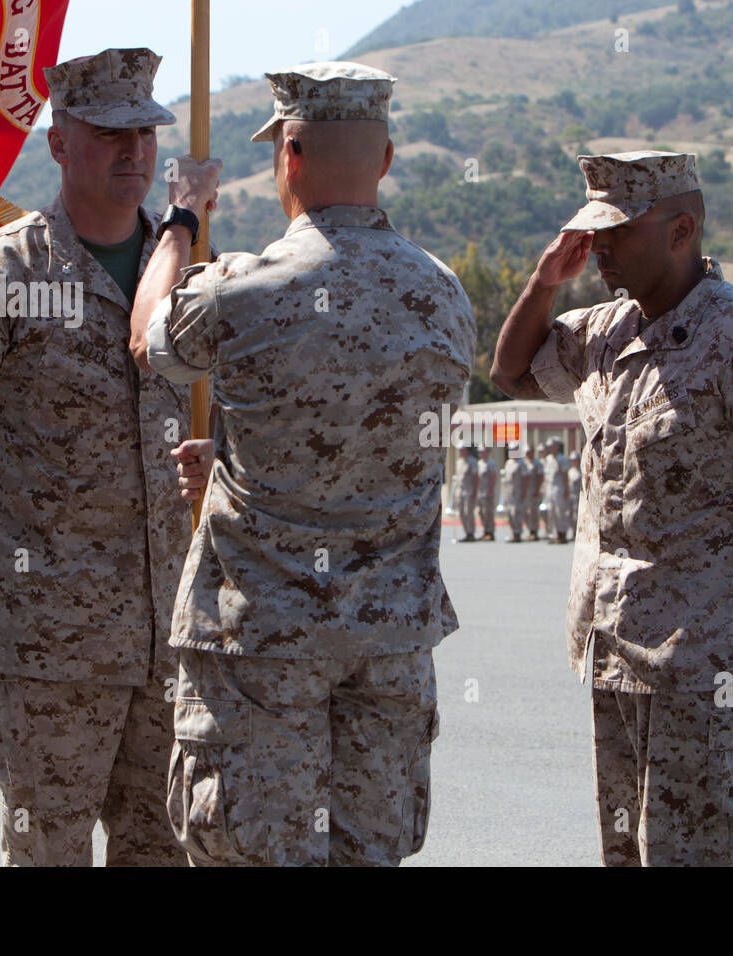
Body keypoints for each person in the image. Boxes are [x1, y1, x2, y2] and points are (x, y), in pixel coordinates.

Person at [131, 61, 476, 866]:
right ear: (385, 159)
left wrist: (181, 218)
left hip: (263, 641)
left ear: (289, 154)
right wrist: (238, 458)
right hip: (388, 640)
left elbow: (148, 338)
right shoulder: (443, 293)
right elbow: (372, 432)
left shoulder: (244, 288)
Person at [490, 150, 733, 866]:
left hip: (717, 662)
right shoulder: (605, 333)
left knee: (717, 852)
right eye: (594, 231)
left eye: (618, 231)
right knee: (629, 853)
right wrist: (542, 282)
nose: (601, 248)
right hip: (617, 652)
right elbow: (509, 372)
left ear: (681, 230)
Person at [0, 49, 191, 866]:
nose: (133, 151)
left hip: (172, 634)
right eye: (108, 134)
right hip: (46, 637)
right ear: (60, 143)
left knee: (164, 848)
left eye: (144, 131)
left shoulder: (189, 279)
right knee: (47, 851)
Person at [542, 437, 570, 544]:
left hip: (559, 488)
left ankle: (562, 534)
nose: (550, 448)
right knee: (551, 512)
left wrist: (566, 489)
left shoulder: (562, 459)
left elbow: (565, 475)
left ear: (557, 446)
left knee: (560, 511)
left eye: (552, 446)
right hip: (549, 488)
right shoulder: (548, 459)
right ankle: (554, 534)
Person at [501, 444, 528, 542]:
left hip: (517, 491)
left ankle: (518, 533)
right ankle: (513, 532)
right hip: (508, 491)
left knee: (516, 512)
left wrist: (524, 491)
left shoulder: (521, 464)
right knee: (509, 512)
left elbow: (526, 478)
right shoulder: (508, 463)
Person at [452, 445, 479, 541]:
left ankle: (471, 533)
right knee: (461, 512)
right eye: (459, 450)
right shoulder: (459, 462)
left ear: (467, 450)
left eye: (462, 449)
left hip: (469, 490)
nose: (460, 451)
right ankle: (466, 532)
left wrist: (475, 492)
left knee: (469, 512)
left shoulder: (472, 461)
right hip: (460, 490)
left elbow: (475, 477)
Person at [477, 447, 499, 541]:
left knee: (488, 513)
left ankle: (490, 532)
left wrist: (491, 490)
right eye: (480, 452)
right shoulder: (479, 463)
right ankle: (485, 531)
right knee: (481, 513)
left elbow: (493, 477)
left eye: (483, 451)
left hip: (488, 493)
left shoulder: (491, 463)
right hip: (480, 493)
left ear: (488, 452)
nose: (481, 453)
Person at [523, 444, 544, 540]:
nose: (528, 454)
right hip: (524, 491)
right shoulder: (524, 463)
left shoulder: (537, 463)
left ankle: (534, 531)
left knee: (533, 512)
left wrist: (537, 490)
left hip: (533, 490)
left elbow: (540, 477)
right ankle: (529, 529)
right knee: (525, 512)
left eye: (529, 452)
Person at [566, 452, 582, 535]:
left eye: (575, 460)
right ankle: (572, 531)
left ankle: (577, 532)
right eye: (572, 460)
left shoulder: (581, 471)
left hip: (577, 496)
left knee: (576, 515)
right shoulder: (569, 471)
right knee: (569, 514)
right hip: (570, 496)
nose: (574, 462)